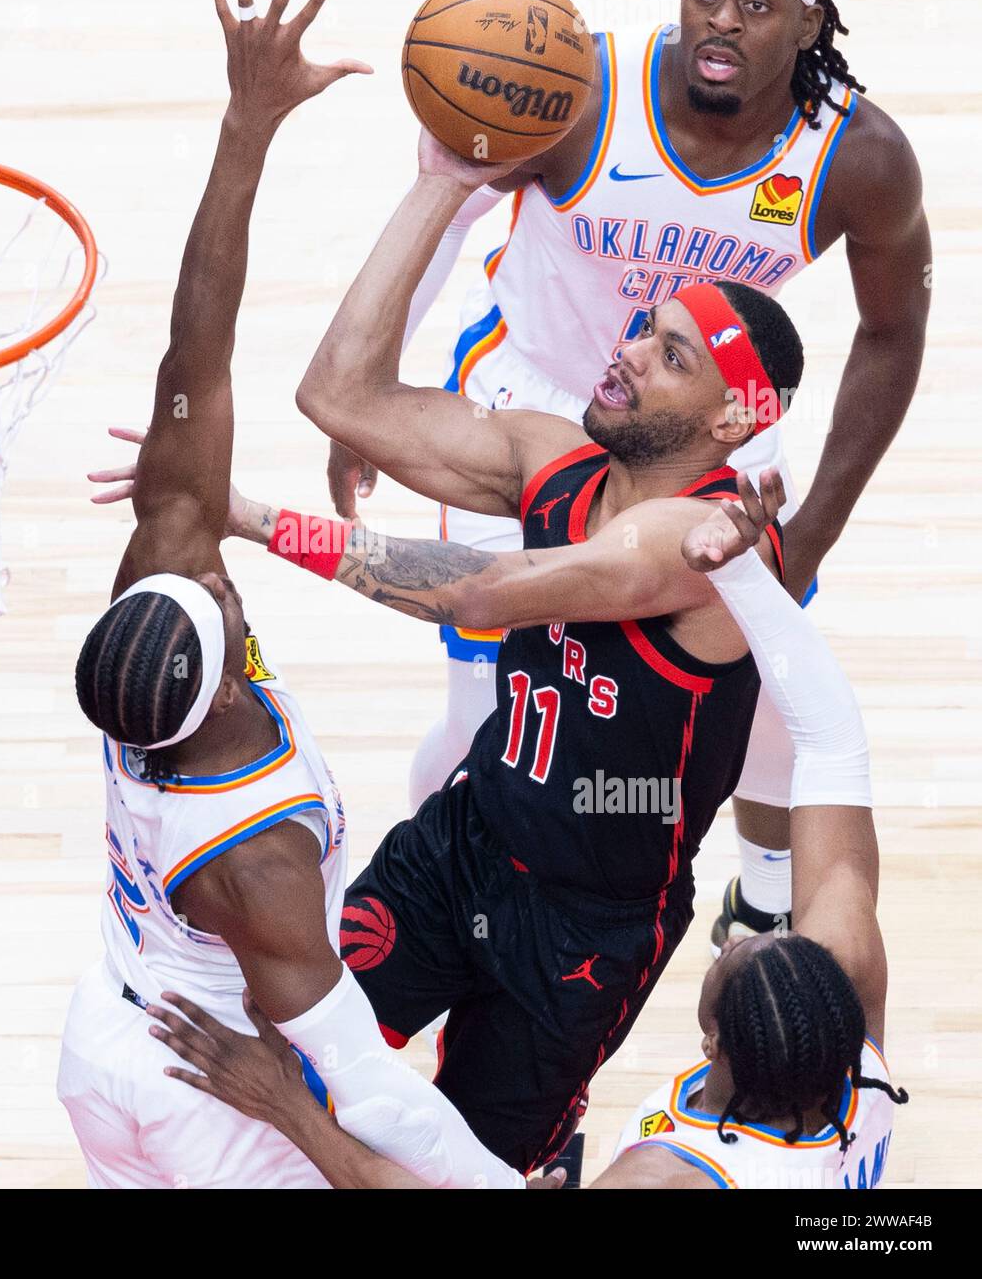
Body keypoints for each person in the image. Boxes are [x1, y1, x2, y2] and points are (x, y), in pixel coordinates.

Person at [329, 0, 930, 952]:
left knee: (760, 706)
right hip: (531, 410)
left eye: (756, 3)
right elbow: (448, 211)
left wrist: (816, 533)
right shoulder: (574, 94)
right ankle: (452, 903)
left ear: (807, 23)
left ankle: (764, 896)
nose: (721, 20)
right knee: (493, 723)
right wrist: (367, 399)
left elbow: (893, 331)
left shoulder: (857, 158)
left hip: (708, 434)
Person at [59, 0, 524, 1191]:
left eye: (200, 581)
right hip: (208, 1092)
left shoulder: (151, 650)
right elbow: (364, 1082)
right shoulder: (256, 855)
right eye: (220, 602)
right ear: (218, 685)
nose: (216, 578)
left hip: (105, 1037)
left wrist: (246, 124)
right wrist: (489, 1184)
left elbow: (194, 356)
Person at [147, 489, 908, 1189]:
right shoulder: (854, 1054)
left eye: (745, 957)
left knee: (420, 1138)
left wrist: (288, 1109)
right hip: (480, 859)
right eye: (780, 940)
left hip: (593, 937)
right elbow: (833, 741)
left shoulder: (661, 1179)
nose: (754, 938)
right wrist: (743, 574)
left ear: (714, 1044)